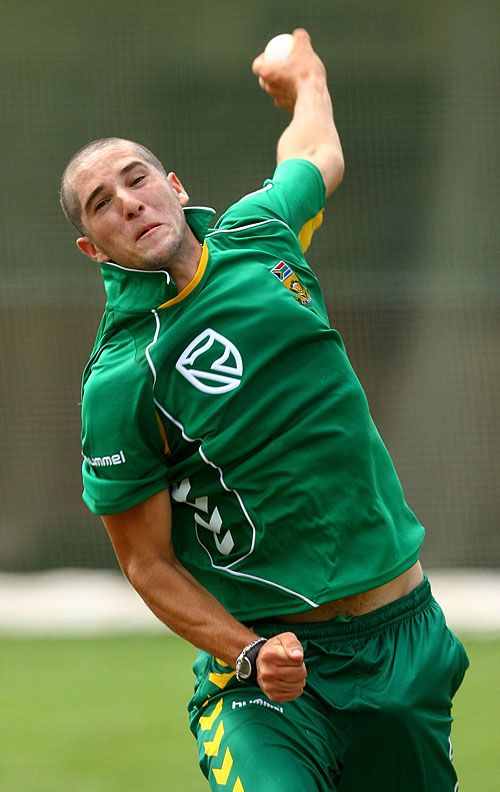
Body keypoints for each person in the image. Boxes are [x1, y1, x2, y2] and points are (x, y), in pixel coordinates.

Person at [60, 29, 468, 792]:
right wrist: (247, 652)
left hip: (405, 641)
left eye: (136, 178)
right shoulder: (121, 379)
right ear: (93, 248)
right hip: (272, 679)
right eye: (101, 205)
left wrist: (306, 79)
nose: (128, 202)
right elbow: (145, 562)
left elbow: (314, 156)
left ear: (174, 186)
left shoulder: (262, 234)